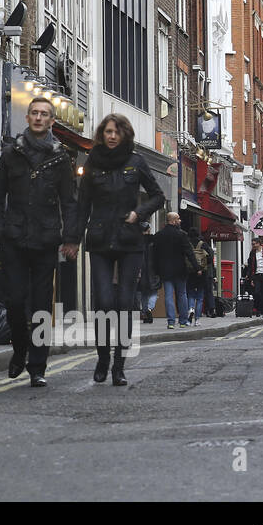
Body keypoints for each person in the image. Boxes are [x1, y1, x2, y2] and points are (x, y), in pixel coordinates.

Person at [66, 113, 165, 387]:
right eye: (108, 131)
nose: (111, 136)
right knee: (104, 303)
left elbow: (158, 196)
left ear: (124, 135)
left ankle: (119, 365)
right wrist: (73, 239)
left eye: (116, 132)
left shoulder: (136, 162)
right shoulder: (93, 163)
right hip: (99, 240)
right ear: (102, 133)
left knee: (124, 304)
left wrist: (138, 212)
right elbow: (82, 204)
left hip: (129, 240)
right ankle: (102, 358)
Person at [0, 96, 79, 388]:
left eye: (44, 114)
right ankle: (20, 350)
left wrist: (70, 238)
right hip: (14, 238)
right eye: (34, 113)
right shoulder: (11, 154)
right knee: (15, 302)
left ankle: (37, 366)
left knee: (41, 305)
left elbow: (69, 202)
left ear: (52, 121)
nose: (39, 118)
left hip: (45, 240)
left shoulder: (61, 157)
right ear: (27, 118)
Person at [152, 212, 202, 328]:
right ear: (173, 221)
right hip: (180, 270)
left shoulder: (159, 235)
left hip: (165, 271)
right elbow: (189, 252)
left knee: (168, 295)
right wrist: (197, 267)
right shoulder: (182, 235)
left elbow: (154, 255)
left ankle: (170, 322)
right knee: (182, 294)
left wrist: (155, 270)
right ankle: (183, 321)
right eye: (179, 219)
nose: (180, 221)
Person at [137, 221, 159, 324]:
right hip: (153, 269)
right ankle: (150, 308)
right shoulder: (154, 241)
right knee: (154, 292)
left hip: (140, 269)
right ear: (149, 230)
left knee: (143, 294)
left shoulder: (136, 241)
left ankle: (145, 312)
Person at [195, 235, 217, 317]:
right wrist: (214, 275)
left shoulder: (199, 249)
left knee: (199, 292)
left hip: (201, 272)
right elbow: (212, 263)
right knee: (209, 292)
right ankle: (211, 309)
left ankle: (199, 311)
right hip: (210, 274)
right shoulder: (210, 249)